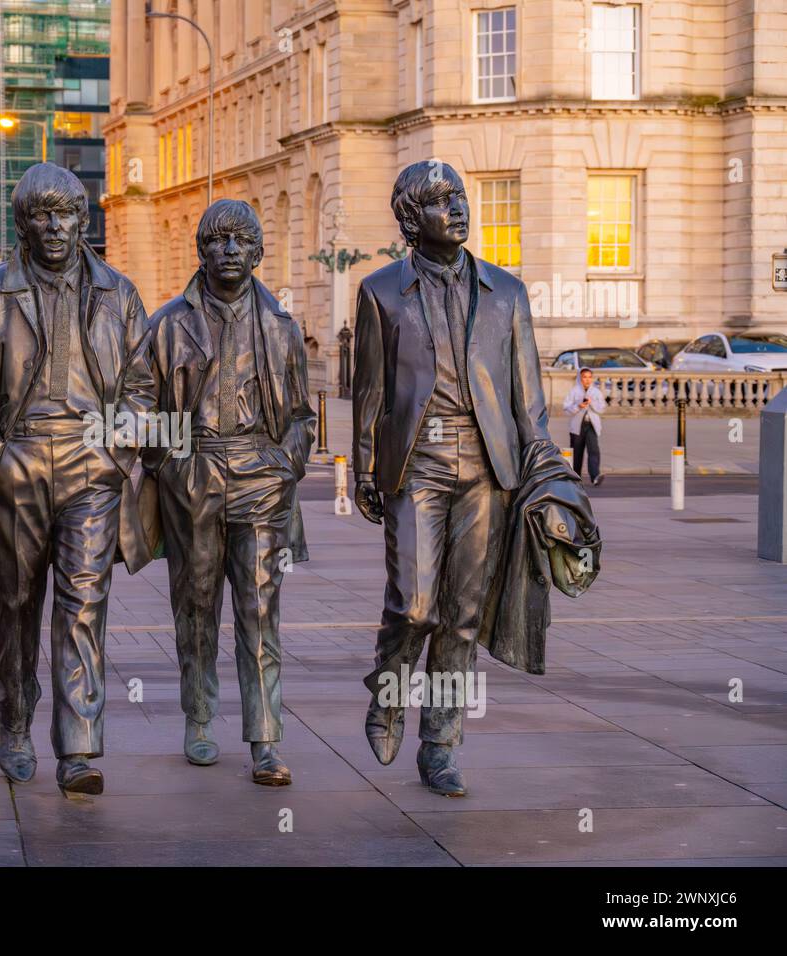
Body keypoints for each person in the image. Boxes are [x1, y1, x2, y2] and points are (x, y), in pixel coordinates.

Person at [0, 163, 156, 796]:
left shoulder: (119, 293)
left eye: (65, 213)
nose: (54, 226)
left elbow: (143, 384)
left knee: (84, 602)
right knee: (15, 602)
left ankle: (80, 748)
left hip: (93, 465)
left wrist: (119, 450)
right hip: (19, 460)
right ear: (22, 222)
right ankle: (13, 721)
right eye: (40, 214)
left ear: (84, 220)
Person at [352, 160, 554, 797]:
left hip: (487, 469)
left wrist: (547, 474)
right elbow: (370, 393)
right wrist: (363, 468)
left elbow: (530, 403)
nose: (458, 209)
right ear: (411, 219)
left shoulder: (508, 293)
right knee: (413, 605)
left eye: (459, 197)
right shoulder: (381, 291)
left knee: (463, 615)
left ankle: (440, 744)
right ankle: (388, 695)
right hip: (416, 465)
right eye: (440, 201)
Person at [140, 200, 316, 786]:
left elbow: (301, 415)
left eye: (241, 240)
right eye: (217, 240)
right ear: (202, 251)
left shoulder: (282, 327)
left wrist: (285, 464)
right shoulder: (168, 324)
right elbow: (138, 403)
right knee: (195, 607)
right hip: (195, 473)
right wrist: (170, 460)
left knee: (260, 610)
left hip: (260, 478)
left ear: (258, 251)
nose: (230, 250)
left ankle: (265, 737)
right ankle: (198, 717)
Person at [563, 367, 605, 485]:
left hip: (591, 425)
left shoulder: (596, 392)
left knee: (594, 450)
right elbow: (566, 410)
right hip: (577, 426)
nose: (587, 380)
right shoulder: (574, 391)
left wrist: (592, 403)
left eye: (589, 377)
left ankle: (595, 476)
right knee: (577, 452)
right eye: (584, 377)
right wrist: (578, 406)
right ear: (580, 378)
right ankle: (575, 478)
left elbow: (602, 409)